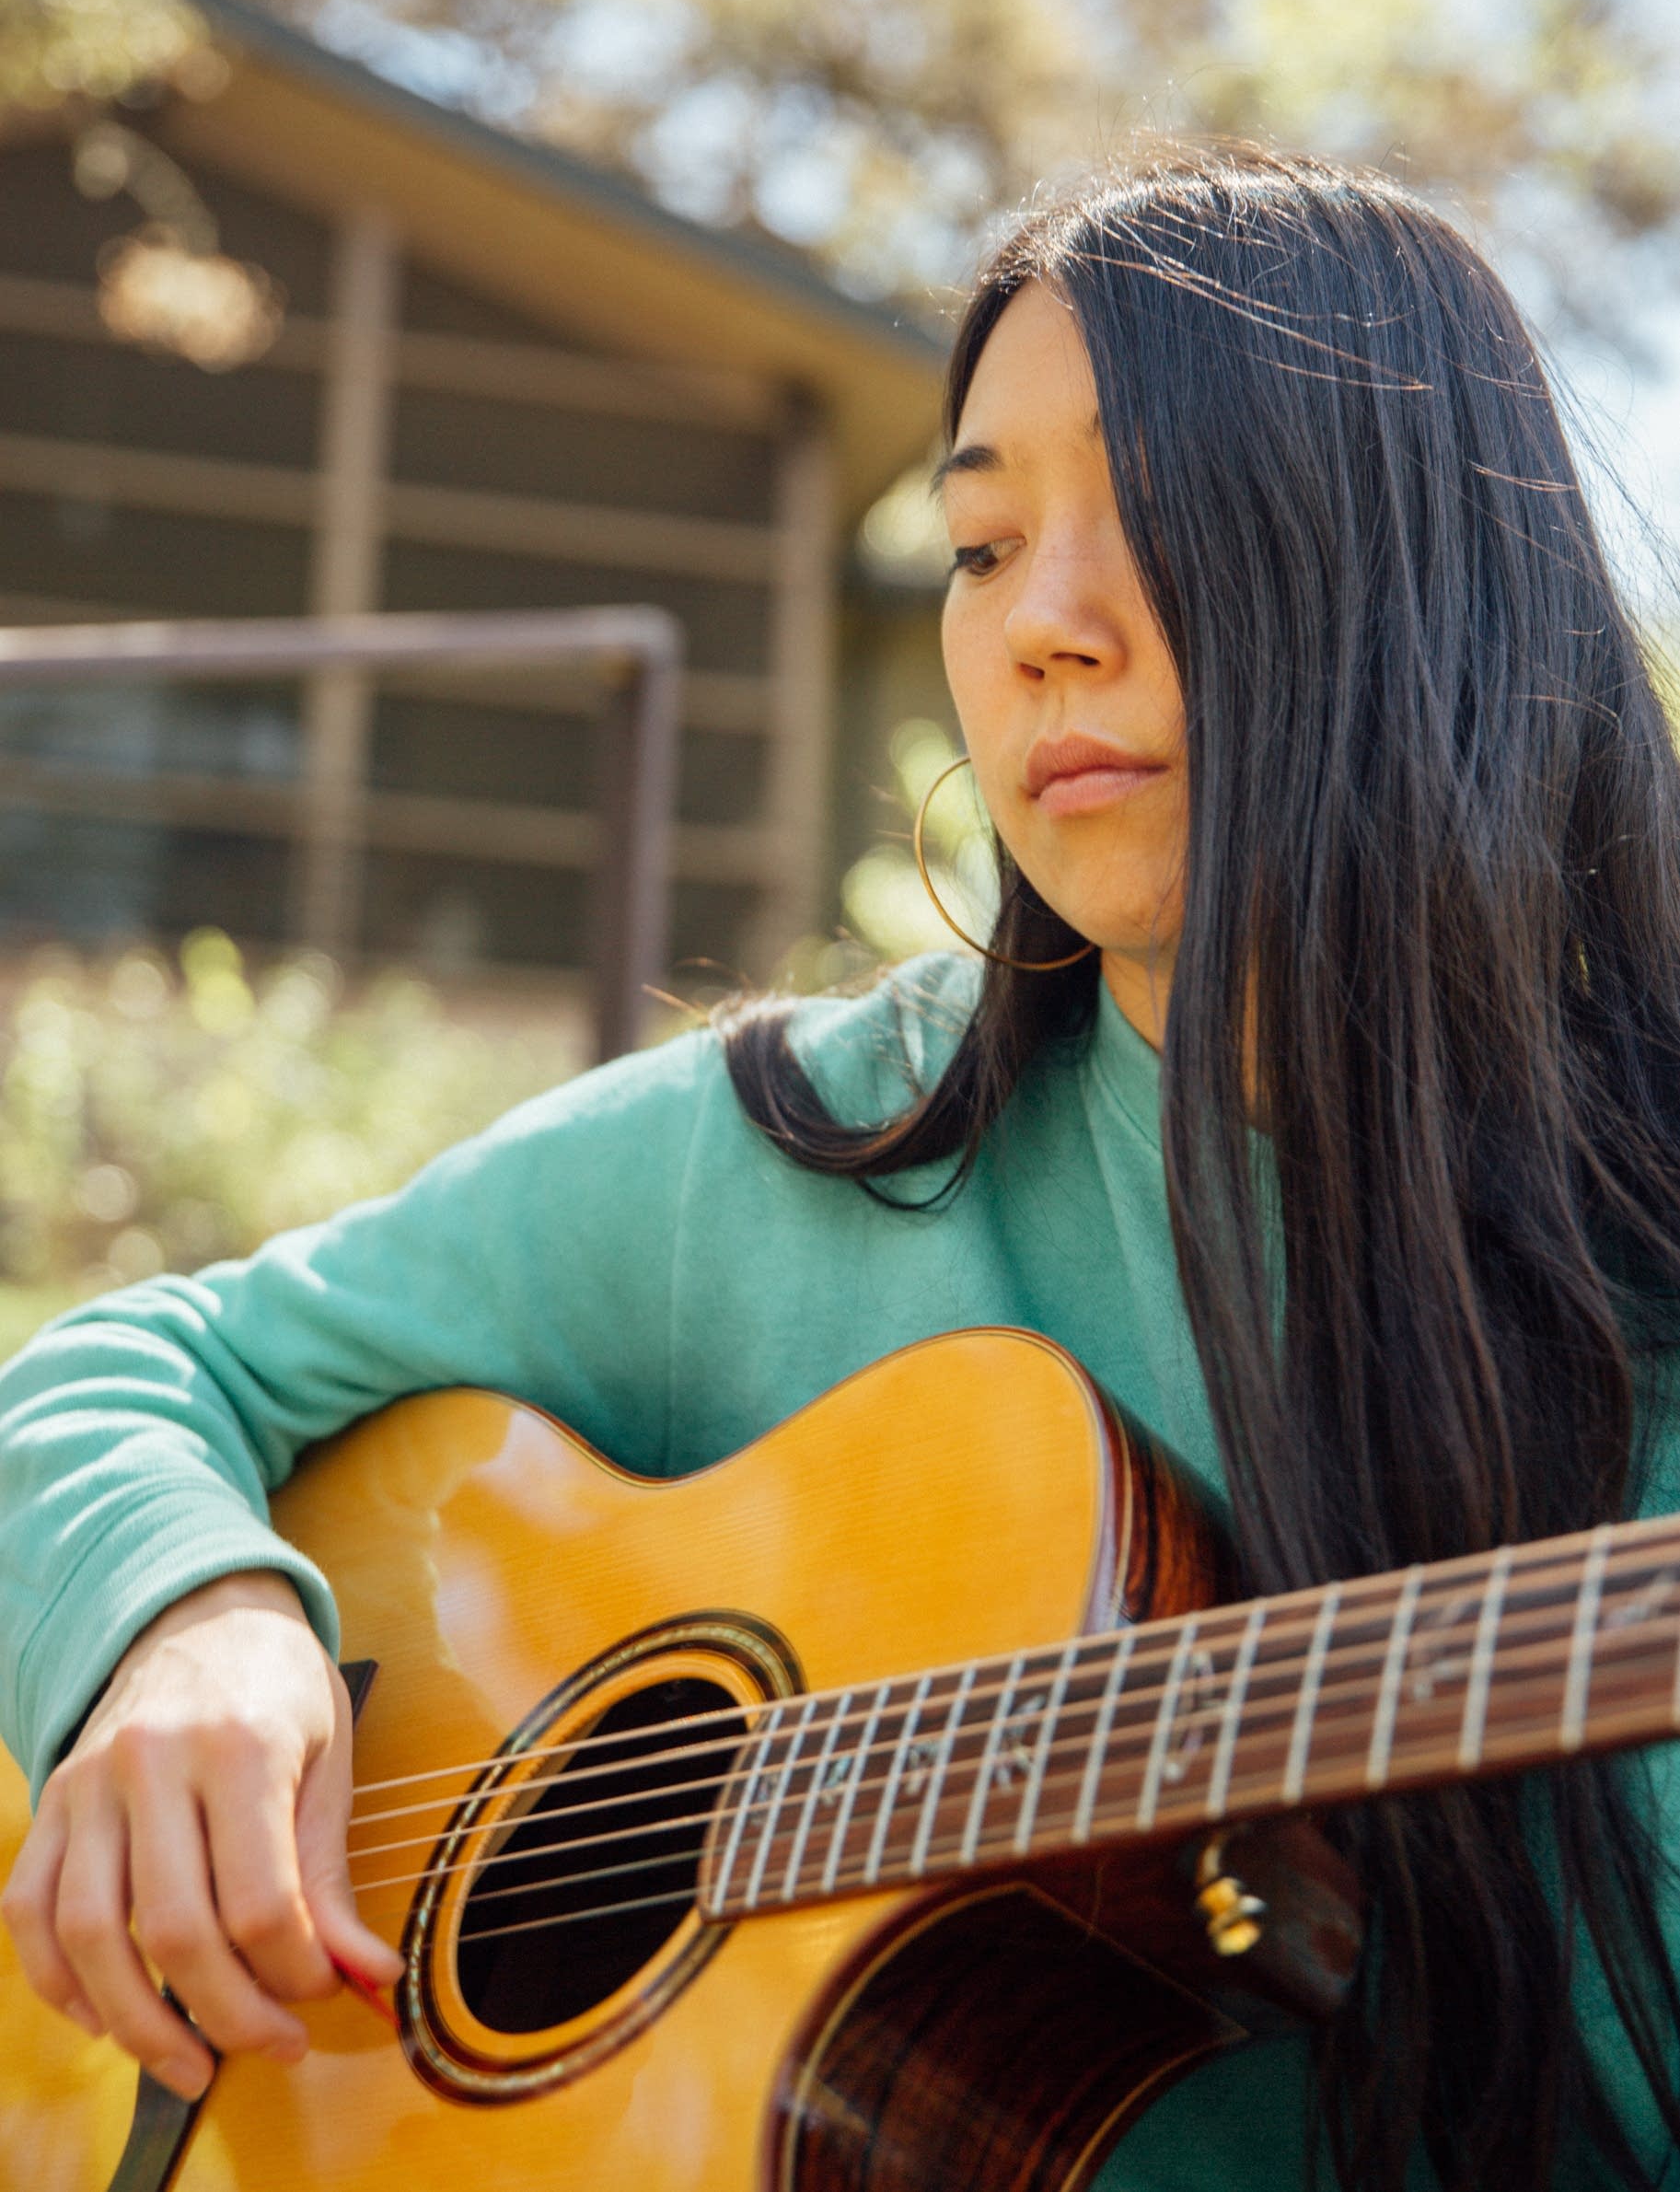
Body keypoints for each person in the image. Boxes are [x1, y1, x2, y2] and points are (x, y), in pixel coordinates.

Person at [3, 139, 1679, 2192]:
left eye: (1152, 512)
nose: (1039, 631)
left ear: (1408, 564)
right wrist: (189, 1628)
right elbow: (126, 1369)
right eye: (978, 548)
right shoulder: (807, 1146)